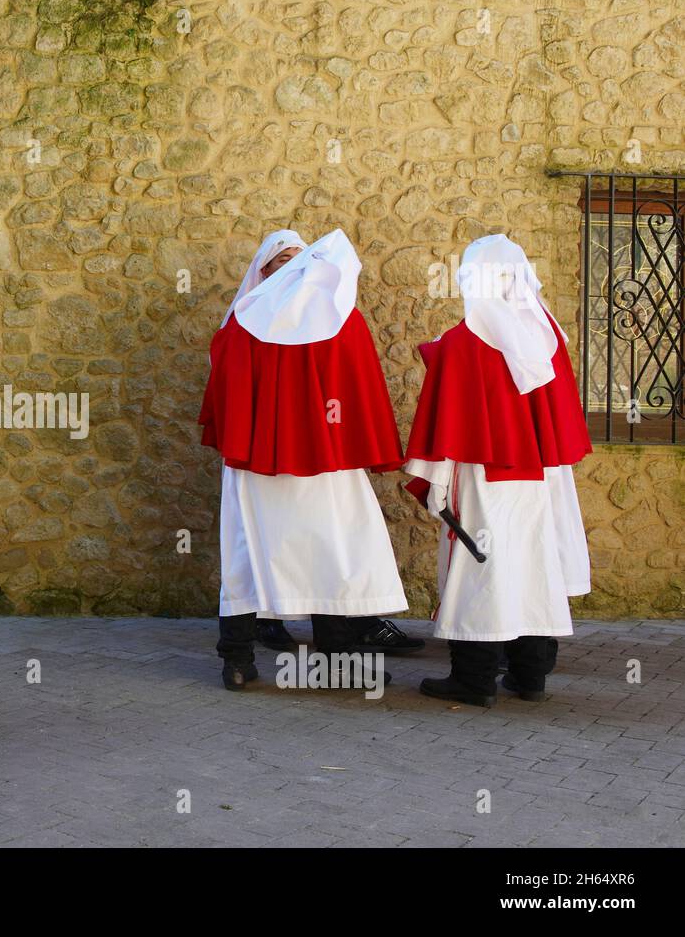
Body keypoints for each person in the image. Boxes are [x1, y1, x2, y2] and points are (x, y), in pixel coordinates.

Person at [198, 228, 417, 691]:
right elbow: (362, 395)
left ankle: (241, 660)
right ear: (263, 270)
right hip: (313, 462)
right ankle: (278, 659)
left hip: (271, 461)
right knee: (316, 549)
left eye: (296, 263)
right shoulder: (340, 320)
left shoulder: (245, 321)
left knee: (265, 552)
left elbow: (226, 392)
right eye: (282, 263)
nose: (289, 273)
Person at [404, 234, 592, 707]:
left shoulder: (462, 342)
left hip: (482, 473)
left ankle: (474, 679)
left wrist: (436, 485)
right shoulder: (548, 336)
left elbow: (444, 423)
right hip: (542, 475)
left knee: (479, 569)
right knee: (533, 567)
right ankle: (530, 677)